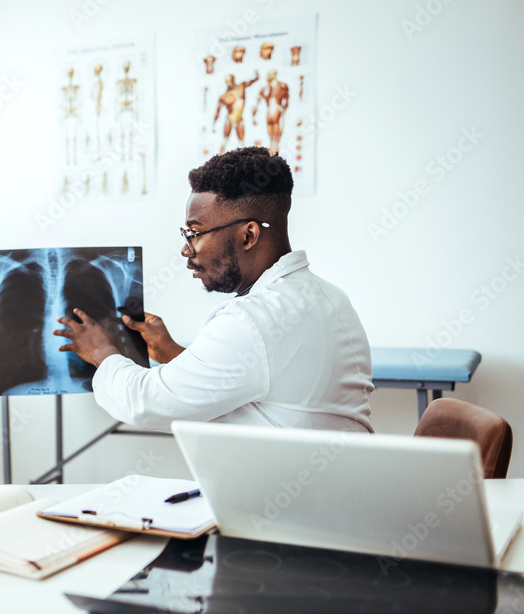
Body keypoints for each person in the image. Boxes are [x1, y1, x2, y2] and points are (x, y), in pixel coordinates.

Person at [54, 147, 373, 433]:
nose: (185, 249)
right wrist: (170, 352)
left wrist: (101, 352)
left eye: (195, 232)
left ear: (248, 236)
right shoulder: (331, 298)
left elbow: (146, 404)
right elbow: (246, 386)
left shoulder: (251, 322)